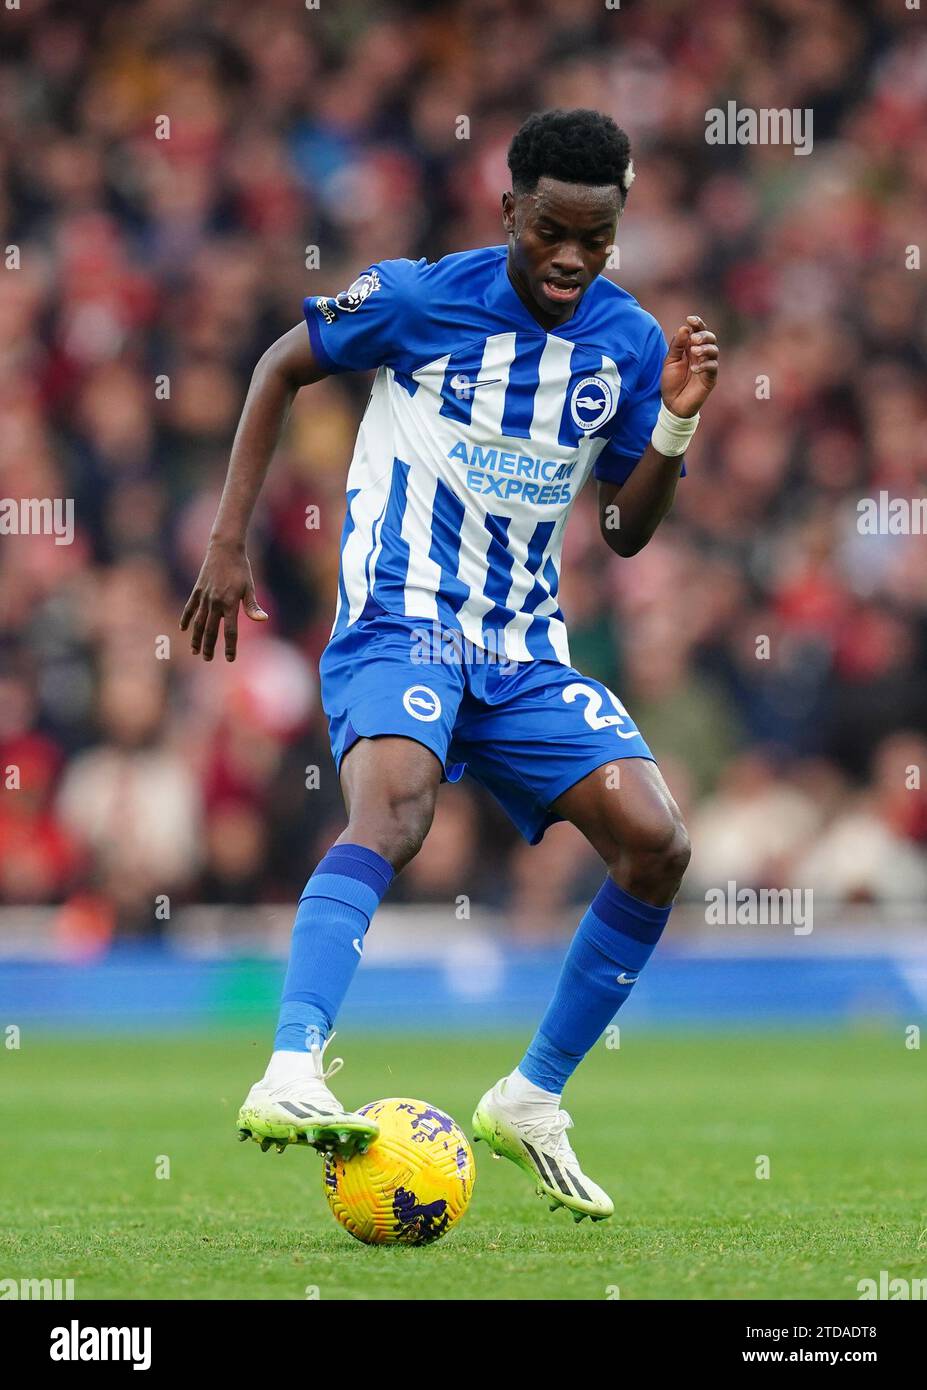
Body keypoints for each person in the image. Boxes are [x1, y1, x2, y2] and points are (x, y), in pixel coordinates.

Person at [181, 108, 719, 1222]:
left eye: (598, 239)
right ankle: (289, 1068)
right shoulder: (422, 300)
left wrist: (670, 430)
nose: (573, 258)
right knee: (396, 811)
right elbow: (281, 366)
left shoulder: (623, 342)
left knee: (658, 843)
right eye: (553, 232)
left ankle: (529, 1098)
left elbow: (624, 533)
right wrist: (230, 543)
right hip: (403, 620)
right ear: (510, 209)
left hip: (523, 651)